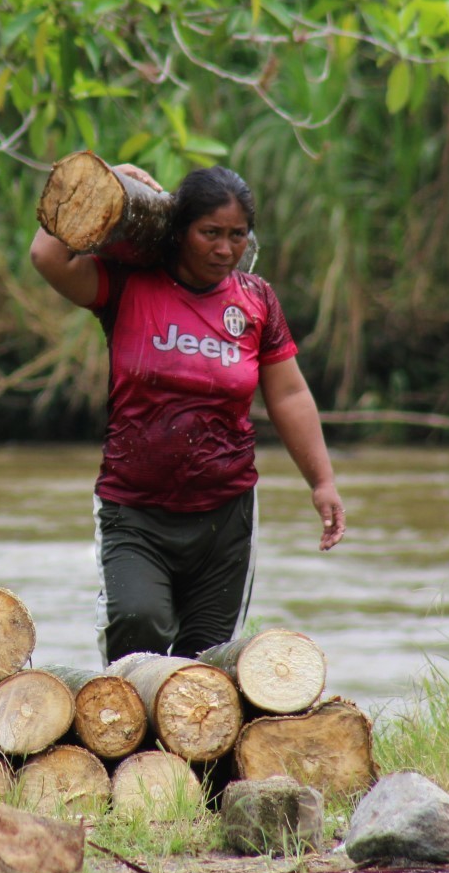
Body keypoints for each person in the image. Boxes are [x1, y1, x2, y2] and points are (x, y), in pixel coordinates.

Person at [29, 162, 346, 666]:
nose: (225, 249)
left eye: (237, 235)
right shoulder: (129, 285)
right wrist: (101, 181)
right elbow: (46, 255)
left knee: (208, 661)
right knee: (138, 622)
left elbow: (288, 394)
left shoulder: (256, 301)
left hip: (225, 516)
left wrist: (322, 481)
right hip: (133, 512)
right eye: (210, 233)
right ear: (180, 231)